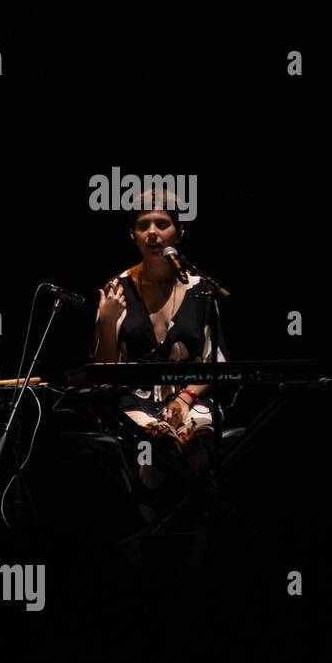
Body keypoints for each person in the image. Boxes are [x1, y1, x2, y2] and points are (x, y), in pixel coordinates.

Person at [92, 186, 228, 492]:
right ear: (133, 235)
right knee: (157, 444)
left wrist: (185, 397)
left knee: (199, 441)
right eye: (143, 226)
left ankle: (197, 528)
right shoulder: (118, 286)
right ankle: (154, 524)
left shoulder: (202, 288)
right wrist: (108, 322)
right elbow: (105, 369)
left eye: (162, 224)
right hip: (133, 401)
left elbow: (215, 361)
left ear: (178, 233)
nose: (152, 233)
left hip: (192, 399)